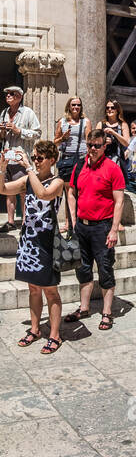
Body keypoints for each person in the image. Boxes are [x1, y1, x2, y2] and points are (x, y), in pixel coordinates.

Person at [8, 138, 71, 351]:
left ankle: (55, 335)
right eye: (34, 158)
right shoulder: (29, 179)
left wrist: (27, 168)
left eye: (39, 158)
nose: (36, 161)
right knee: (33, 288)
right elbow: (1, 189)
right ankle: (35, 329)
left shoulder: (57, 182)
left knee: (50, 291)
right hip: (28, 240)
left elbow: (43, 195)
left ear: (51, 160)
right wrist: (1, 167)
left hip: (46, 242)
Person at [69, 126, 127, 331]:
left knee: (105, 268)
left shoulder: (113, 168)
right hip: (82, 227)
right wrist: (73, 220)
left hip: (102, 227)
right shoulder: (79, 166)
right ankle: (84, 308)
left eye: (96, 146)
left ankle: (107, 312)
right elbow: (71, 192)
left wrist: (113, 230)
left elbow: (119, 202)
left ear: (105, 146)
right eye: (89, 145)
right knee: (83, 269)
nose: (92, 149)